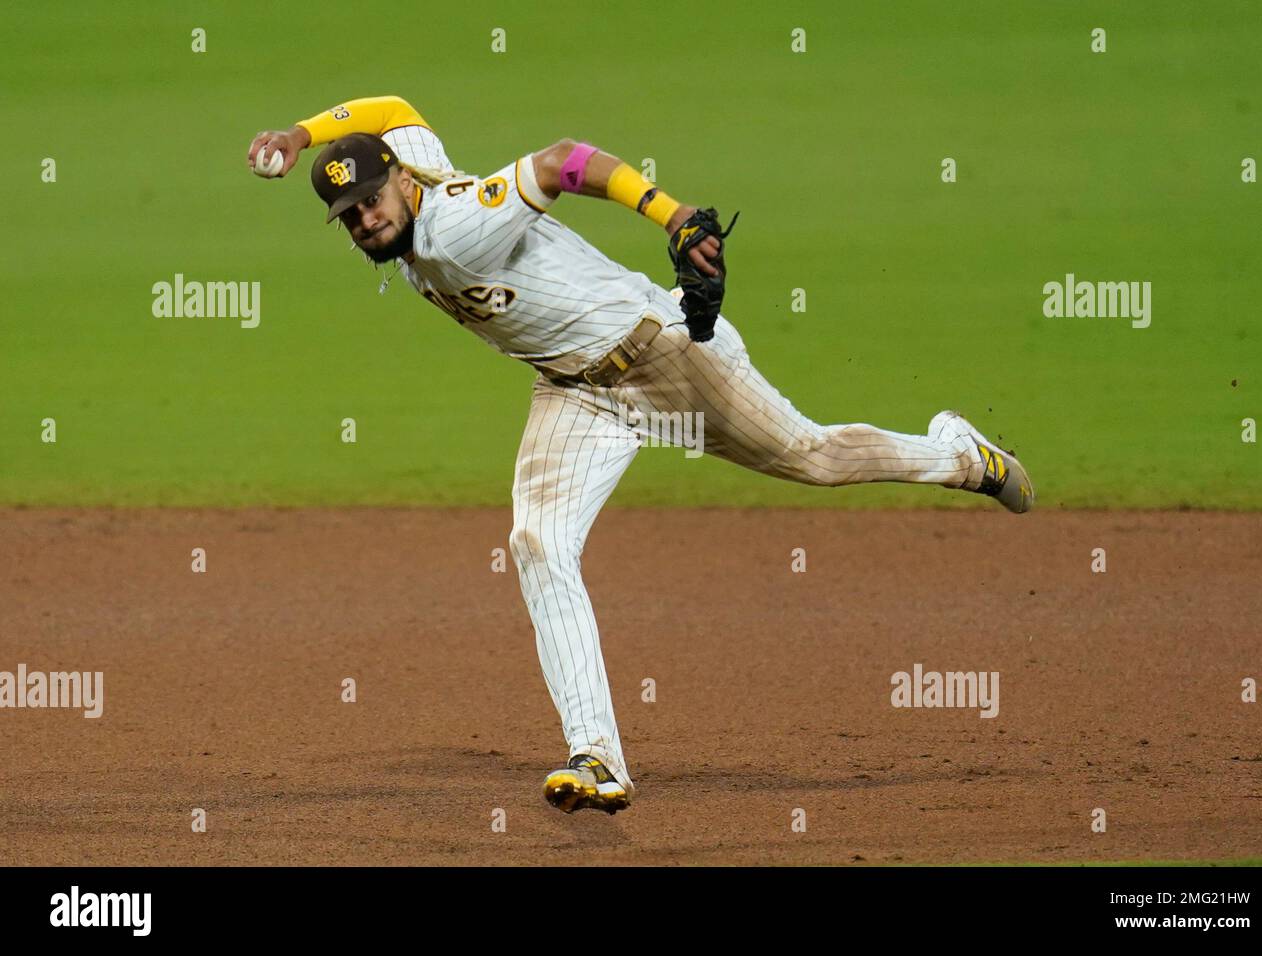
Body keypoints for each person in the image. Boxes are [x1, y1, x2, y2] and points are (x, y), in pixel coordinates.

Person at [247, 96, 1034, 815]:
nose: (364, 224)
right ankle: (595, 757)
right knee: (537, 543)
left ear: (401, 184)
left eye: (369, 205)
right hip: (576, 395)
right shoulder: (411, 170)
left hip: (661, 358)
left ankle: (960, 456)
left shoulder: (454, 226)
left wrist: (670, 213)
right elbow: (393, 108)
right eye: (348, 218)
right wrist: (299, 134)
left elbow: (561, 160)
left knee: (812, 457)